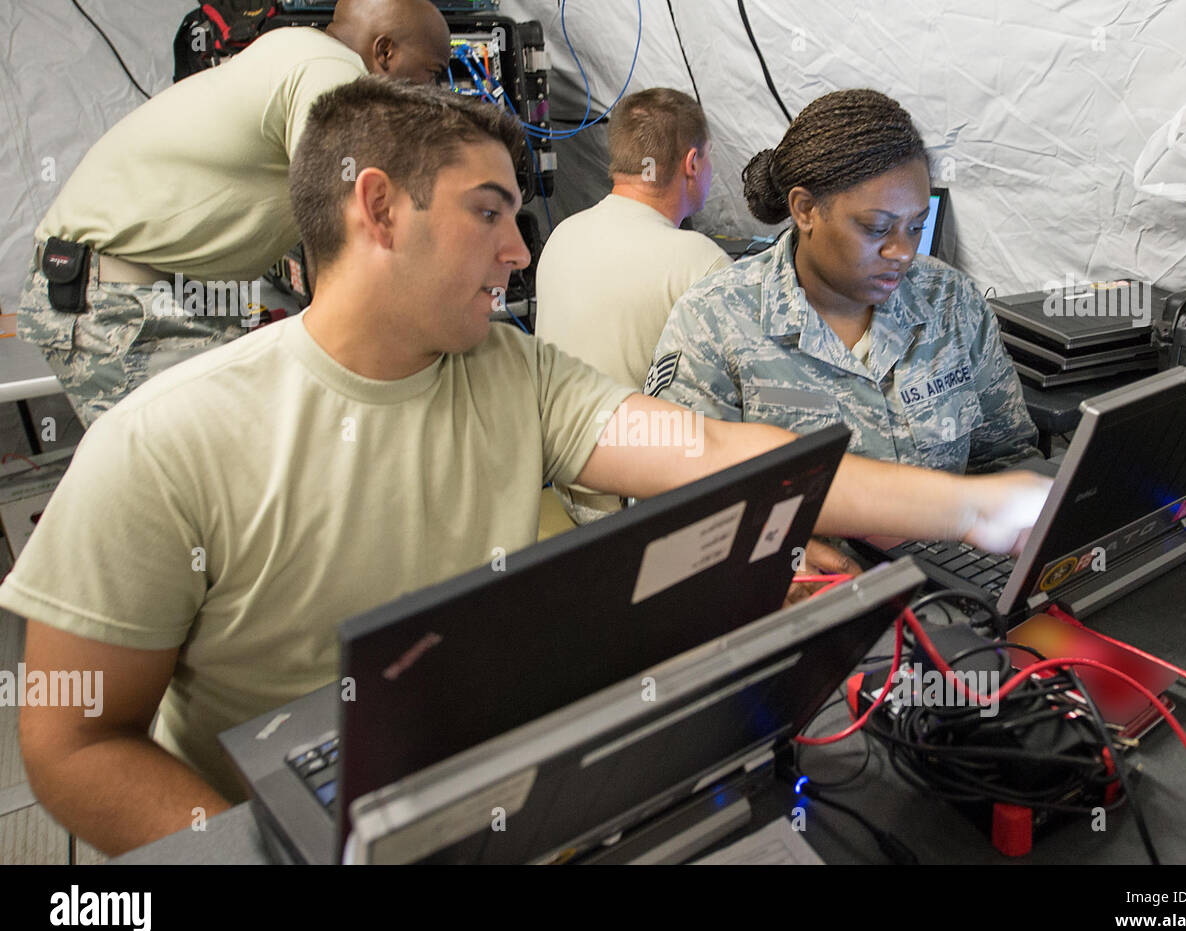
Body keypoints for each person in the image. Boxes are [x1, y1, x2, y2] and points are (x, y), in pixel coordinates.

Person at [2, 78, 1050, 855]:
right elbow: (73, 742)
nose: (521, 250)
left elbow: (720, 454)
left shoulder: (511, 371)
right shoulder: (164, 442)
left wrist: (971, 506)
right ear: (376, 209)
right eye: (490, 211)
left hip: (499, 794)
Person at [16, 0, 450, 426]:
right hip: (115, 301)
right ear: (385, 52)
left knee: (251, 445)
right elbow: (339, 222)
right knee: (222, 459)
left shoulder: (295, 50)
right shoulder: (333, 72)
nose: (436, 93)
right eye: (433, 73)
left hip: (130, 287)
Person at [648, 88, 1040, 476]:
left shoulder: (951, 303)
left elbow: (1010, 459)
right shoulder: (715, 322)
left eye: (916, 226)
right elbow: (674, 501)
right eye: (877, 228)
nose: (902, 252)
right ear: (805, 210)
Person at [534, 87, 731, 523]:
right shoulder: (700, 261)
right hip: (638, 508)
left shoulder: (563, 234)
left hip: (567, 486)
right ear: (692, 164)